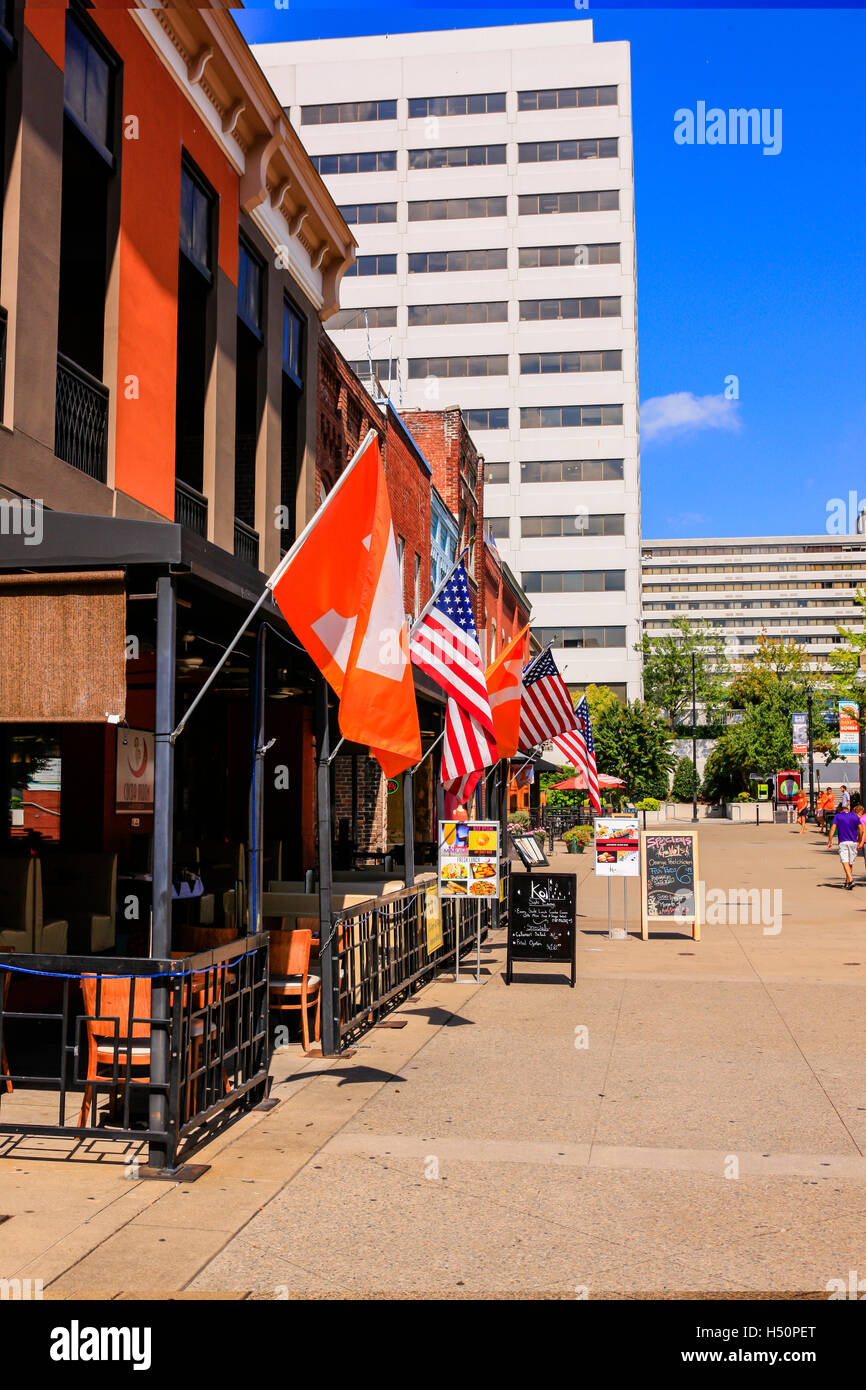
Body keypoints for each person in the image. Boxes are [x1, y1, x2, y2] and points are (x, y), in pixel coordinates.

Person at [831, 801, 863, 889]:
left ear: (840, 809)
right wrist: (859, 840)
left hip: (843, 842)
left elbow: (833, 828)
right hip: (853, 842)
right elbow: (861, 829)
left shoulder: (838, 816)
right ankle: (847, 882)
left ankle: (851, 879)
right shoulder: (855, 816)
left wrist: (829, 840)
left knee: (845, 861)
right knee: (850, 862)